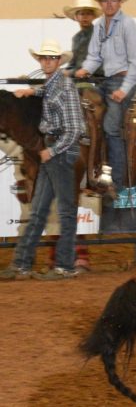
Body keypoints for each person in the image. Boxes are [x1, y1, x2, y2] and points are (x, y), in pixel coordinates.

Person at [2, 40, 86, 280]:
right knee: (38, 211)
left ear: (59, 61)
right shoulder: (51, 84)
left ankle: (65, 266)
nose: (47, 62)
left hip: (59, 151)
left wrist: (54, 149)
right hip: (50, 151)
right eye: (43, 58)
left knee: (65, 211)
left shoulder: (66, 87)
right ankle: (22, 264)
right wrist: (31, 91)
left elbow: (75, 128)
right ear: (40, 61)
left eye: (51, 58)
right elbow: (45, 91)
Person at [75, 0, 136, 200]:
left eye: (112, 0)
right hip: (104, 81)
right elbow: (94, 56)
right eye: (104, 1)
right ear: (101, 4)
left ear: (120, 1)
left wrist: (124, 89)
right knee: (87, 115)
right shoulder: (100, 25)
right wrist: (83, 70)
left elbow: (135, 61)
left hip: (121, 81)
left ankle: (118, 180)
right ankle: (91, 173)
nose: (109, 4)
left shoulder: (128, 24)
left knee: (111, 126)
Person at [64, 0, 101, 72]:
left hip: (95, 78)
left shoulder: (99, 35)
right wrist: (67, 71)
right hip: (78, 76)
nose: (85, 17)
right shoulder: (76, 38)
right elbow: (73, 61)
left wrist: (72, 72)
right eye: (82, 14)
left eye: (88, 14)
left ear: (93, 16)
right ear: (76, 17)